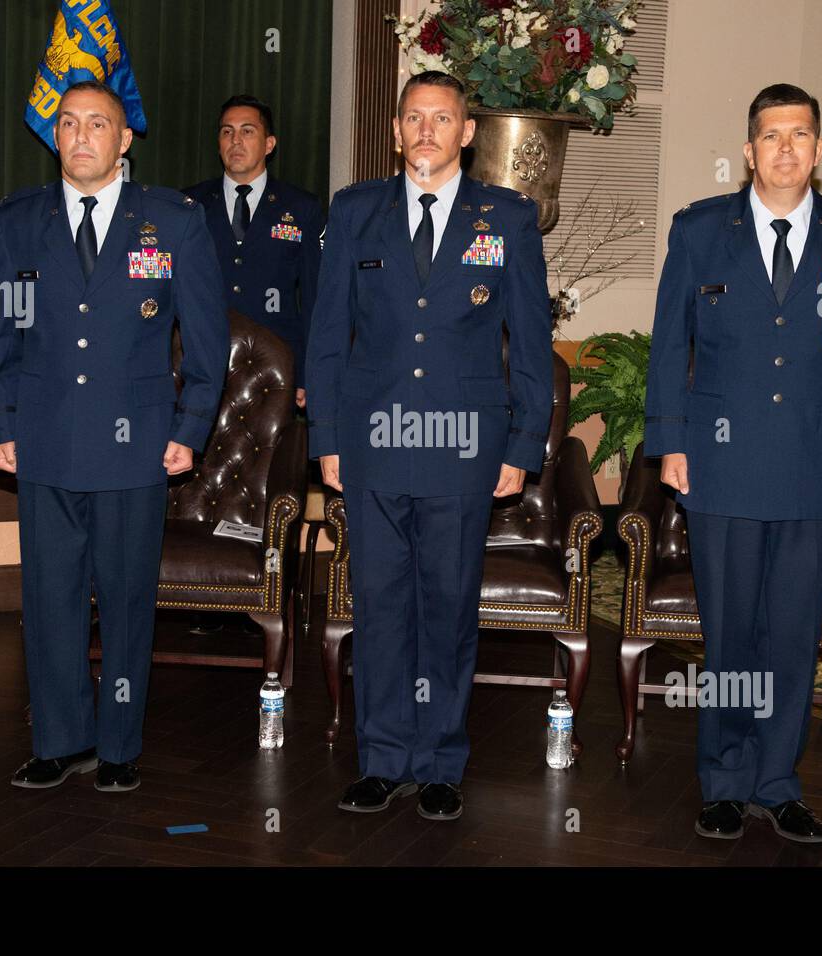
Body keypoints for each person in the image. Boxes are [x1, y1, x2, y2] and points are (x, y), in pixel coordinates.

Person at [643, 83, 822, 843]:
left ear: (818, 153)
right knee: (731, 631)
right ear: (748, 151)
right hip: (720, 462)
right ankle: (723, 780)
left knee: (791, 632)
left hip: (815, 466)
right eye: (771, 135)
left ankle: (778, 782)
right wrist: (672, 442)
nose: (785, 147)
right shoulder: (699, 232)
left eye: (800, 135)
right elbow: (667, 348)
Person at [305, 71, 553, 820]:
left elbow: (533, 346)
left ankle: (441, 760)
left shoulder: (507, 219)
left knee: (446, 607)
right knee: (379, 605)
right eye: (414, 117)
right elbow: (326, 337)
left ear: (466, 133)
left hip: (465, 447)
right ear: (394, 130)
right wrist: (328, 438)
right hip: (373, 442)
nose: (426, 131)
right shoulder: (354, 214)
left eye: (441, 118)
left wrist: (521, 445)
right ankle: (382, 759)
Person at [0, 80, 230, 793]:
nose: (81, 135)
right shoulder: (17, 221)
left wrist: (191, 428)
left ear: (125, 141)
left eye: (98, 124)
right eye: (68, 123)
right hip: (45, 439)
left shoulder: (173, 221)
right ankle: (60, 741)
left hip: (137, 444)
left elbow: (208, 343)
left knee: (124, 599)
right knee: (51, 597)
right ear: (53, 137)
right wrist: (0, 422)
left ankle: (119, 745)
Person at [184, 94, 324, 407]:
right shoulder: (189, 206)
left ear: (269, 144)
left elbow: (315, 298)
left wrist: (307, 373)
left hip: (275, 364)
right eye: (226, 131)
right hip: (201, 365)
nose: (236, 140)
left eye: (247, 131)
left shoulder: (302, 208)